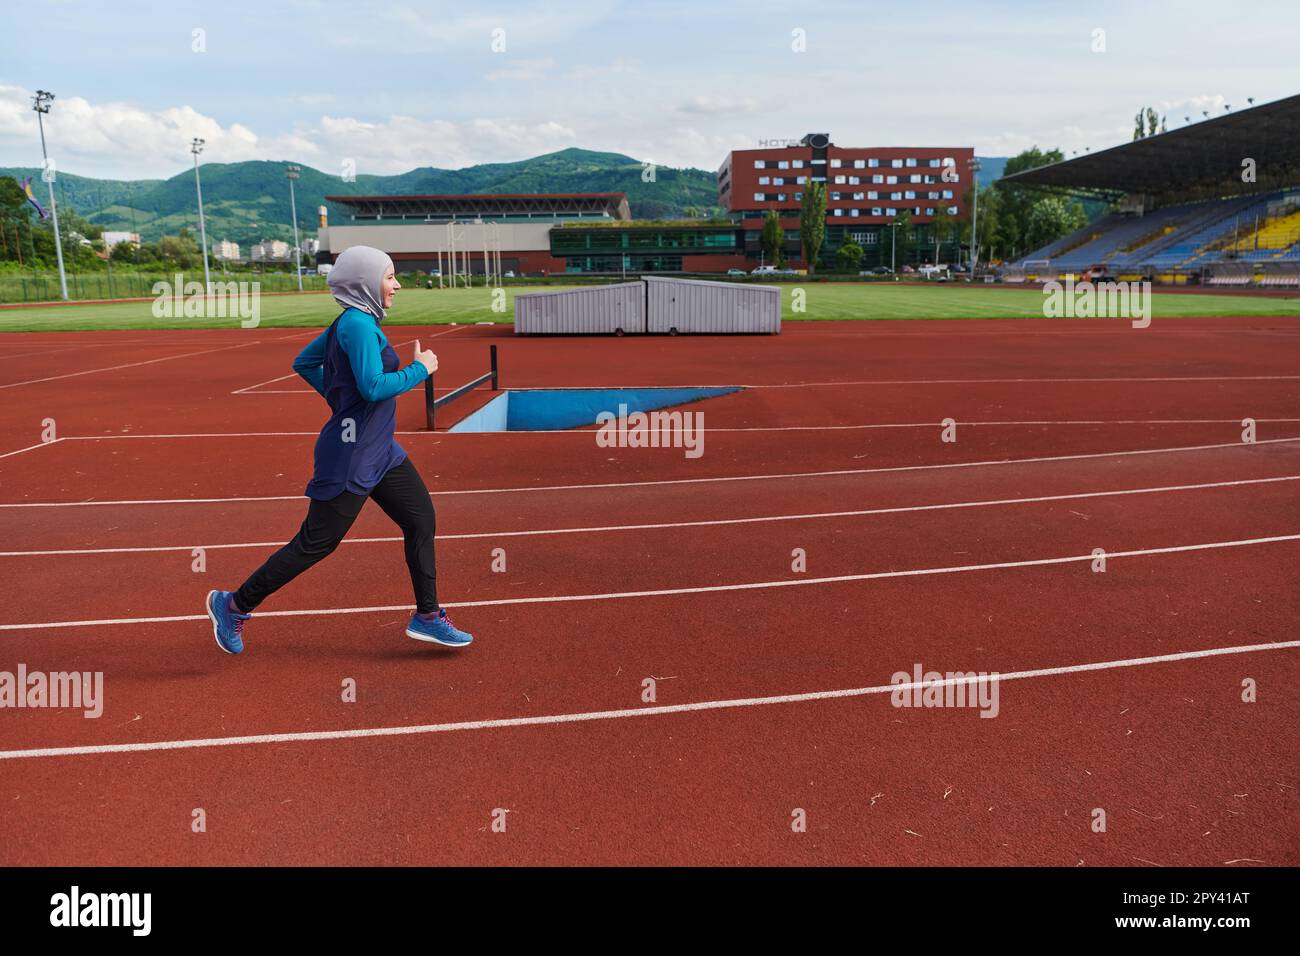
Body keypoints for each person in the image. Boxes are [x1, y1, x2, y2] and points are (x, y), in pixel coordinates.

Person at [205, 246, 474, 653]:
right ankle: (234, 605)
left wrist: (340, 400)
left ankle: (429, 615)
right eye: (389, 276)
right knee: (316, 543)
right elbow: (372, 387)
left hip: (382, 451)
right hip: (351, 456)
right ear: (364, 281)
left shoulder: (351, 322)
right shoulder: (358, 325)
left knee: (420, 519)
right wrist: (422, 369)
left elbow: (304, 362)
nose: (397, 285)